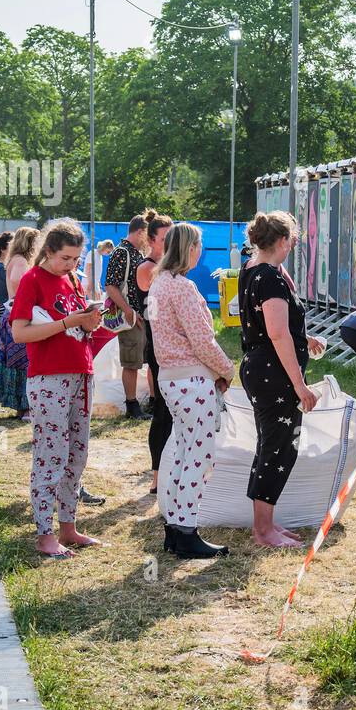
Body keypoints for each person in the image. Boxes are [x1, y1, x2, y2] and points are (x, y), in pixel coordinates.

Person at [9, 219, 104, 559]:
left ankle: (68, 526)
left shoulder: (72, 280)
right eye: (66, 258)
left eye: (76, 259)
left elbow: (73, 324)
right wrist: (69, 322)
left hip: (80, 371)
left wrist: (90, 320)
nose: (72, 265)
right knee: (52, 452)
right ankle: (44, 532)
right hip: (49, 376)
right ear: (48, 251)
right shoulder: (33, 280)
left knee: (77, 452)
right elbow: (20, 333)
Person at [238, 211, 326, 548]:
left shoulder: (254, 271)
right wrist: (299, 384)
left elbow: (278, 327)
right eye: (291, 239)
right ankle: (263, 530)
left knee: (271, 445)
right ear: (282, 241)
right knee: (278, 448)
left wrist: (305, 338)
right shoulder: (270, 278)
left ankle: (265, 524)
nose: (293, 245)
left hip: (262, 368)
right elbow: (276, 334)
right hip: (272, 372)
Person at [150, 223, 236, 557]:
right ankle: (186, 529)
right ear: (190, 249)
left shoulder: (159, 284)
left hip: (171, 377)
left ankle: (175, 526)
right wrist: (227, 369)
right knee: (198, 456)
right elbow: (202, 340)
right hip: (191, 379)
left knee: (185, 452)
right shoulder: (182, 287)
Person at [135, 213, 173, 494]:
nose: (170, 244)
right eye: (165, 239)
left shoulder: (171, 267)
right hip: (158, 347)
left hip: (173, 348)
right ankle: (158, 475)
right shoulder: (147, 268)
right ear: (151, 241)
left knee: (174, 412)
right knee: (163, 411)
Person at [104, 211, 153, 419]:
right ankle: (132, 405)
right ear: (141, 232)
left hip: (144, 315)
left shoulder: (137, 253)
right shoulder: (121, 252)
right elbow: (110, 287)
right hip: (131, 318)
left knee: (149, 359)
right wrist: (129, 311)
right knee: (131, 362)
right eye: (148, 235)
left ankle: (153, 400)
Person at [0, 226, 38, 420]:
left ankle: (22, 406)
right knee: (22, 361)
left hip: (14, 314)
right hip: (18, 315)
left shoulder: (16, 259)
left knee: (18, 361)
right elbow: (18, 281)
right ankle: (24, 406)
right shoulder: (20, 260)